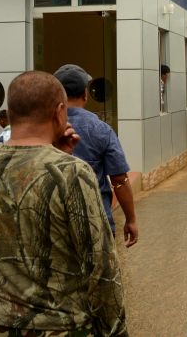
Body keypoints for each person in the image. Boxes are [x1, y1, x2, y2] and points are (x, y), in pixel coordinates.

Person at [0, 71, 127, 336]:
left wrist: (56, 151)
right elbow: (100, 268)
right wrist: (117, 330)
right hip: (60, 327)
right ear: (59, 112)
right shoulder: (72, 172)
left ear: (10, 113)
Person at [54, 64, 138, 247]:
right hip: (96, 223)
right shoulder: (101, 130)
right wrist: (130, 219)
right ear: (85, 94)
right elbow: (119, 180)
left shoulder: (45, 127)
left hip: (53, 226)